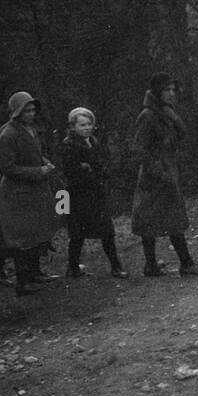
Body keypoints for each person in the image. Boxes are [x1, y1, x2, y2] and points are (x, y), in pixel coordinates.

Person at [132, 73, 198, 277]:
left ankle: (173, 264)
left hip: (167, 170)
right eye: (166, 90)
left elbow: (177, 139)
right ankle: (174, 264)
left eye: (172, 89)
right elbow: (141, 150)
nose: (171, 93)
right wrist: (160, 173)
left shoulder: (166, 112)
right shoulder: (148, 115)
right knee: (150, 221)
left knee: (172, 218)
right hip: (154, 176)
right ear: (157, 92)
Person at [0, 92, 63, 295]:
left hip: (34, 190)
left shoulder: (30, 130)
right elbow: (6, 167)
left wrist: (45, 162)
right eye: (26, 110)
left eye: (33, 110)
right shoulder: (8, 134)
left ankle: (35, 273)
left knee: (36, 231)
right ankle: (23, 282)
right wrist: (38, 172)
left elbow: (33, 154)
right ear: (16, 112)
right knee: (22, 237)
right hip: (17, 193)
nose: (31, 114)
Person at [59, 108, 128, 278]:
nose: (87, 128)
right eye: (82, 125)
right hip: (78, 195)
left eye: (89, 124)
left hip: (95, 193)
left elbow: (101, 164)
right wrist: (86, 169)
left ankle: (116, 266)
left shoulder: (94, 142)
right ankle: (73, 267)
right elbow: (70, 169)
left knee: (107, 231)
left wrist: (97, 171)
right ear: (73, 127)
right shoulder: (69, 145)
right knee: (77, 234)